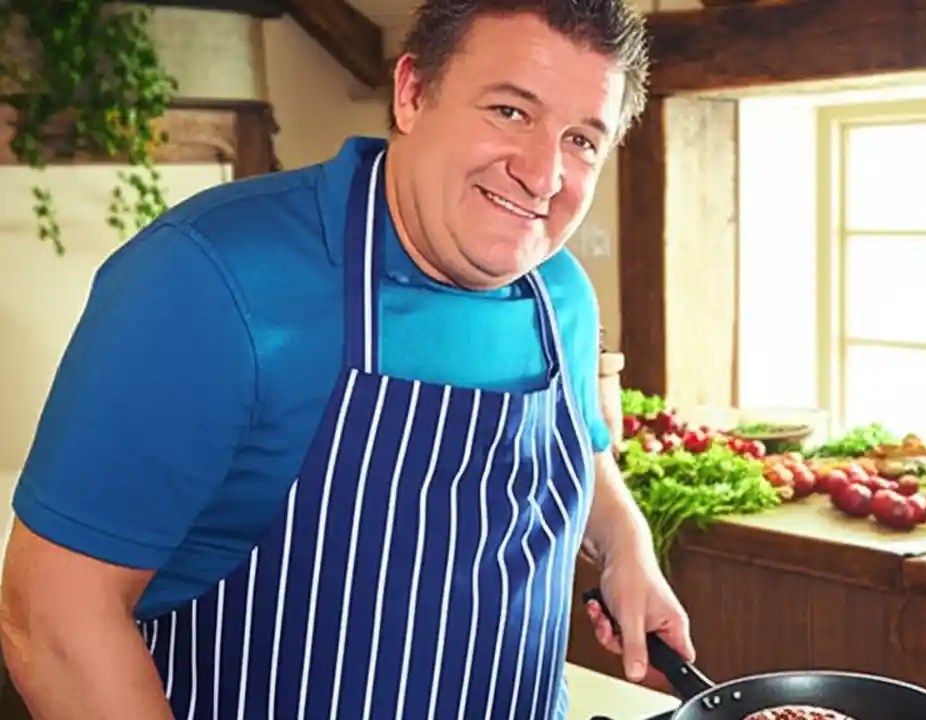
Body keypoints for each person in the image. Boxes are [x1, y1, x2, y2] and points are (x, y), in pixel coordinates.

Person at [0, 0, 694, 717]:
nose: (543, 174)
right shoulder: (211, 278)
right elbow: (52, 618)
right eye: (510, 112)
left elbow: (581, 450)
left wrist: (626, 546)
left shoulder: (561, 294)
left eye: (581, 140)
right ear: (412, 92)